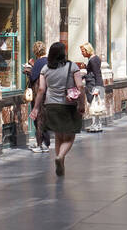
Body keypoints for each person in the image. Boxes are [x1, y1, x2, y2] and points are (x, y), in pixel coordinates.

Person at [31, 41, 86, 177]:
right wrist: (82, 104)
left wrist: (36, 108)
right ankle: (60, 156)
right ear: (63, 53)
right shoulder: (72, 66)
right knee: (70, 135)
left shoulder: (45, 69)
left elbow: (41, 89)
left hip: (51, 105)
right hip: (69, 105)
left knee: (59, 135)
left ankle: (60, 161)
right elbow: (80, 87)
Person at [26, 41, 50, 152]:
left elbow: (33, 77)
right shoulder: (49, 61)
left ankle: (41, 144)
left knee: (38, 118)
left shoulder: (40, 62)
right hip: (50, 93)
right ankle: (45, 144)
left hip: (39, 94)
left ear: (36, 51)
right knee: (45, 118)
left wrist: (29, 68)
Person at [80, 42, 105, 133]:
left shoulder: (93, 60)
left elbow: (96, 74)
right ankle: (97, 124)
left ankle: (96, 124)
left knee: (93, 105)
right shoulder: (94, 58)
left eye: (83, 51)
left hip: (93, 85)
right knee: (97, 105)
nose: (82, 53)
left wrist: (97, 87)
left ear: (88, 50)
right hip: (96, 84)